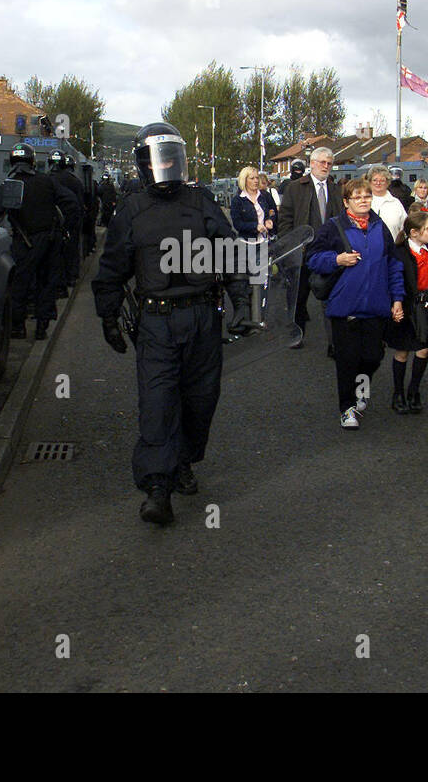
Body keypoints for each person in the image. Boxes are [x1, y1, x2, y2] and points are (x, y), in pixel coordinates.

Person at [92, 123, 250, 525]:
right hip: (156, 321)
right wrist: (109, 317)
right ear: (145, 164)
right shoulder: (132, 209)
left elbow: (229, 253)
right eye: (158, 159)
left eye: (170, 157)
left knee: (200, 400)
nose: (165, 165)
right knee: (158, 403)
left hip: (201, 318)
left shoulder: (201, 202)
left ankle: (183, 460)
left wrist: (243, 303)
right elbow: (111, 269)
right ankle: (157, 486)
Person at [306, 178, 404, 429]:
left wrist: (397, 298)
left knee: (372, 357)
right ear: (346, 201)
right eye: (358, 197)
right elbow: (312, 258)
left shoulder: (380, 227)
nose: (363, 201)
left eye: (367, 196)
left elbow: (393, 265)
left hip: (376, 306)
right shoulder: (333, 227)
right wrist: (337, 259)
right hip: (344, 307)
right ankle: (347, 408)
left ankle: (362, 388)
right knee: (347, 360)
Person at [0, 143, 79, 340]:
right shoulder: (46, 181)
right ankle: (41, 328)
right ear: (32, 161)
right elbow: (71, 203)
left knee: (20, 284)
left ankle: (18, 327)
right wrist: (64, 228)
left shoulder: (10, 184)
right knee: (46, 284)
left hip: (23, 242)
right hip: (49, 241)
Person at [278, 147, 344, 350]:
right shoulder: (296, 188)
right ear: (312, 163)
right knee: (298, 298)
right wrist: (289, 248)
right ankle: (297, 335)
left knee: (331, 298)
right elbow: (285, 220)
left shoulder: (335, 189)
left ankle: (334, 343)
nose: (326, 166)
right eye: (322, 162)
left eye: (329, 163)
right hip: (302, 252)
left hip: (328, 253)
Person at [386, 211, 428, 414]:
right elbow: (393, 279)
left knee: (424, 349)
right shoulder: (400, 253)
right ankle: (398, 394)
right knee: (403, 350)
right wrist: (394, 304)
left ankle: (414, 390)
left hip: (427, 304)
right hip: (407, 305)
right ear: (414, 233)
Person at [48, 150, 86, 298]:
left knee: (54, 256)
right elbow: (80, 203)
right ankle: (71, 277)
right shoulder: (75, 181)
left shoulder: (47, 179)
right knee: (71, 250)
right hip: (71, 223)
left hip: (51, 225)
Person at [231, 166, 276, 240]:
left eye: (257, 178)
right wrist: (255, 226)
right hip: (248, 242)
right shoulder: (237, 200)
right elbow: (237, 224)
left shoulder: (264, 196)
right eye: (252, 178)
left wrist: (269, 220)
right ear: (244, 180)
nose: (256, 181)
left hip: (266, 240)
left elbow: (272, 212)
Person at [367, 165, 407, 240]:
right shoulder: (364, 202)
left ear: (387, 182)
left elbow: (405, 227)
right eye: (375, 180)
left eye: (382, 180)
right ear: (369, 182)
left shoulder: (395, 203)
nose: (378, 183)